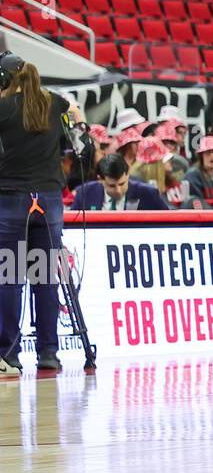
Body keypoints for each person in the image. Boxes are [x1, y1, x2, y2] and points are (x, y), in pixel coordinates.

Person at [0, 54, 85, 376]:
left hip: (11, 201)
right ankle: (48, 353)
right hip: (48, 202)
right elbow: (75, 114)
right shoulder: (54, 104)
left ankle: (9, 355)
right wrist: (80, 128)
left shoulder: (4, 108)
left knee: (9, 279)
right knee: (46, 279)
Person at [71, 152, 169, 211]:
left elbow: (170, 220)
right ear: (100, 180)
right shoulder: (85, 193)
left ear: (127, 175)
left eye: (122, 184)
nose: (118, 190)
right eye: (112, 186)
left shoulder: (148, 194)